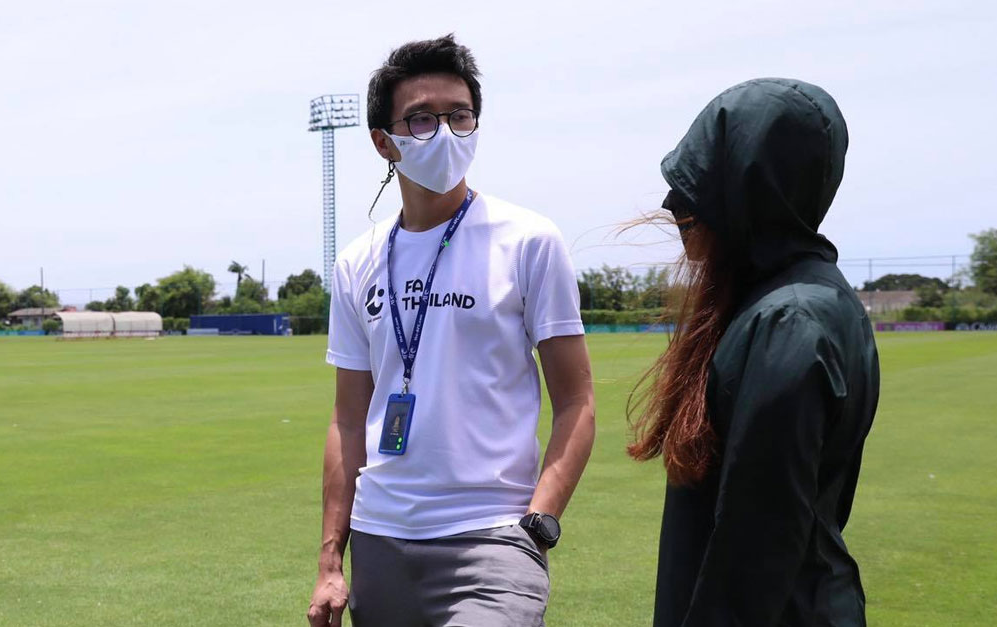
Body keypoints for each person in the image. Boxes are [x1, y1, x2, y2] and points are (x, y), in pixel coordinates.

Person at [307, 34, 595, 627]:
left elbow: (577, 401)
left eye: (458, 115)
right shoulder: (357, 261)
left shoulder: (528, 240)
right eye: (420, 119)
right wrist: (331, 559)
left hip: (492, 542)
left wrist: (538, 524)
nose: (443, 132)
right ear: (383, 142)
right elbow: (346, 420)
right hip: (381, 539)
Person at [628, 78, 881, 626]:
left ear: (753, 187)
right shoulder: (799, 302)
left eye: (702, 182)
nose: (675, 206)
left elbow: (757, 542)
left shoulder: (790, 320)